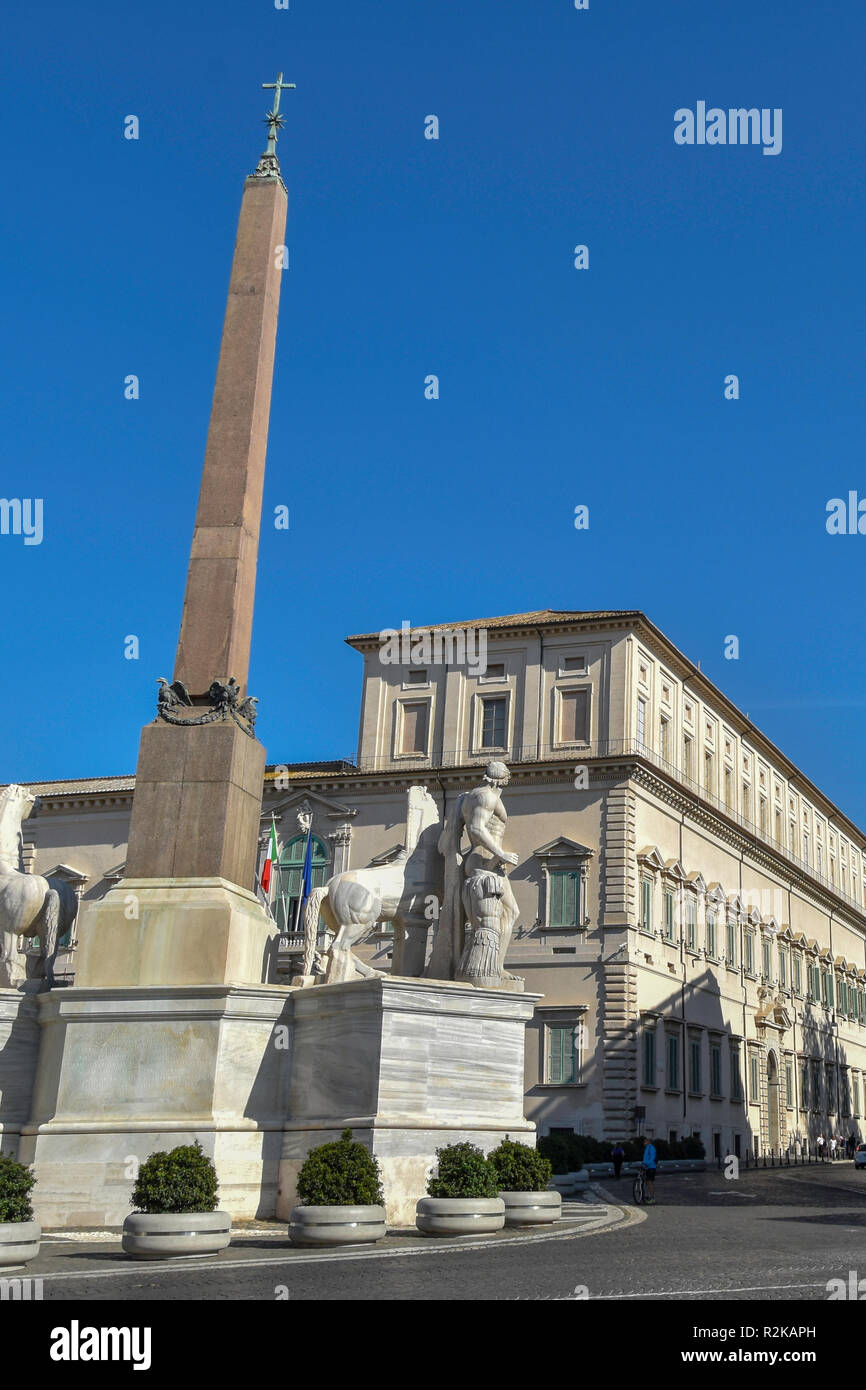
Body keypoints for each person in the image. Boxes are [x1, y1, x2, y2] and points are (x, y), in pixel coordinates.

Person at [642, 1137, 657, 1203]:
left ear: (648, 1141)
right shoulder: (647, 1148)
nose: (644, 1143)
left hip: (651, 1167)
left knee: (650, 1182)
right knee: (647, 1182)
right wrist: (643, 1164)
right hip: (647, 1167)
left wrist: (646, 1164)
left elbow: (652, 1158)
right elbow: (646, 1158)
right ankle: (648, 1196)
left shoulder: (651, 1148)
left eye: (645, 1141)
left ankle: (652, 1198)